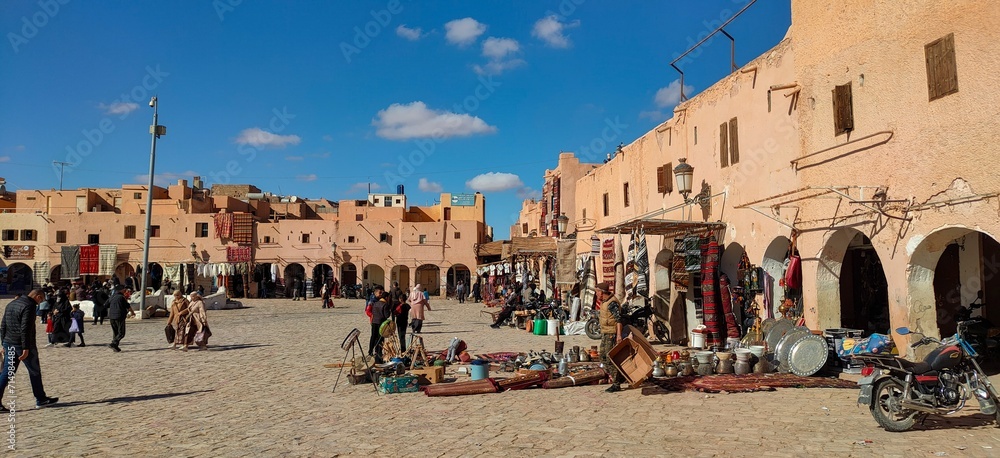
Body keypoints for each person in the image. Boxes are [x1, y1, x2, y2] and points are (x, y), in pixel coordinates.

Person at [0, 289, 58, 410]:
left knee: (7, 372)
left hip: (9, 342)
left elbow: (3, 324)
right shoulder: (29, 305)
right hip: (23, 345)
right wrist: (26, 347)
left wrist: (3, 343)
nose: (40, 302)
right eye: (41, 299)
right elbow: (25, 328)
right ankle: (41, 399)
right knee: (34, 371)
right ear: (37, 296)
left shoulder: (12, 303)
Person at [596, 281, 626, 393]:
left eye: (597, 292)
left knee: (609, 358)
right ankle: (620, 377)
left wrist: (618, 335)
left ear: (602, 292)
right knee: (602, 357)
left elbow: (619, 320)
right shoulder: (604, 302)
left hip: (611, 334)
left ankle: (616, 383)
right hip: (605, 333)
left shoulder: (612, 303)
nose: (596, 294)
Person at [107, 285, 135, 352]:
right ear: (121, 290)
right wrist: (132, 313)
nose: (125, 291)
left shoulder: (112, 297)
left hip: (111, 316)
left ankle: (115, 347)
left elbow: (106, 304)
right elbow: (128, 306)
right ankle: (113, 343)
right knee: (121, 333)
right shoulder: (121, 297)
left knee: (115, 332)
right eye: (124, 289)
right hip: (119, 316)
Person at [367, 286, 391, 362]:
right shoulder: (385, 304)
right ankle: (378, 352)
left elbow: (372, 312)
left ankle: (370, 351)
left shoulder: (375, 303)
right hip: (381, 323)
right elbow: (386, 315)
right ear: (386, 297)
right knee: (380, 338)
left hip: (374, 322)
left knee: (373, 337)